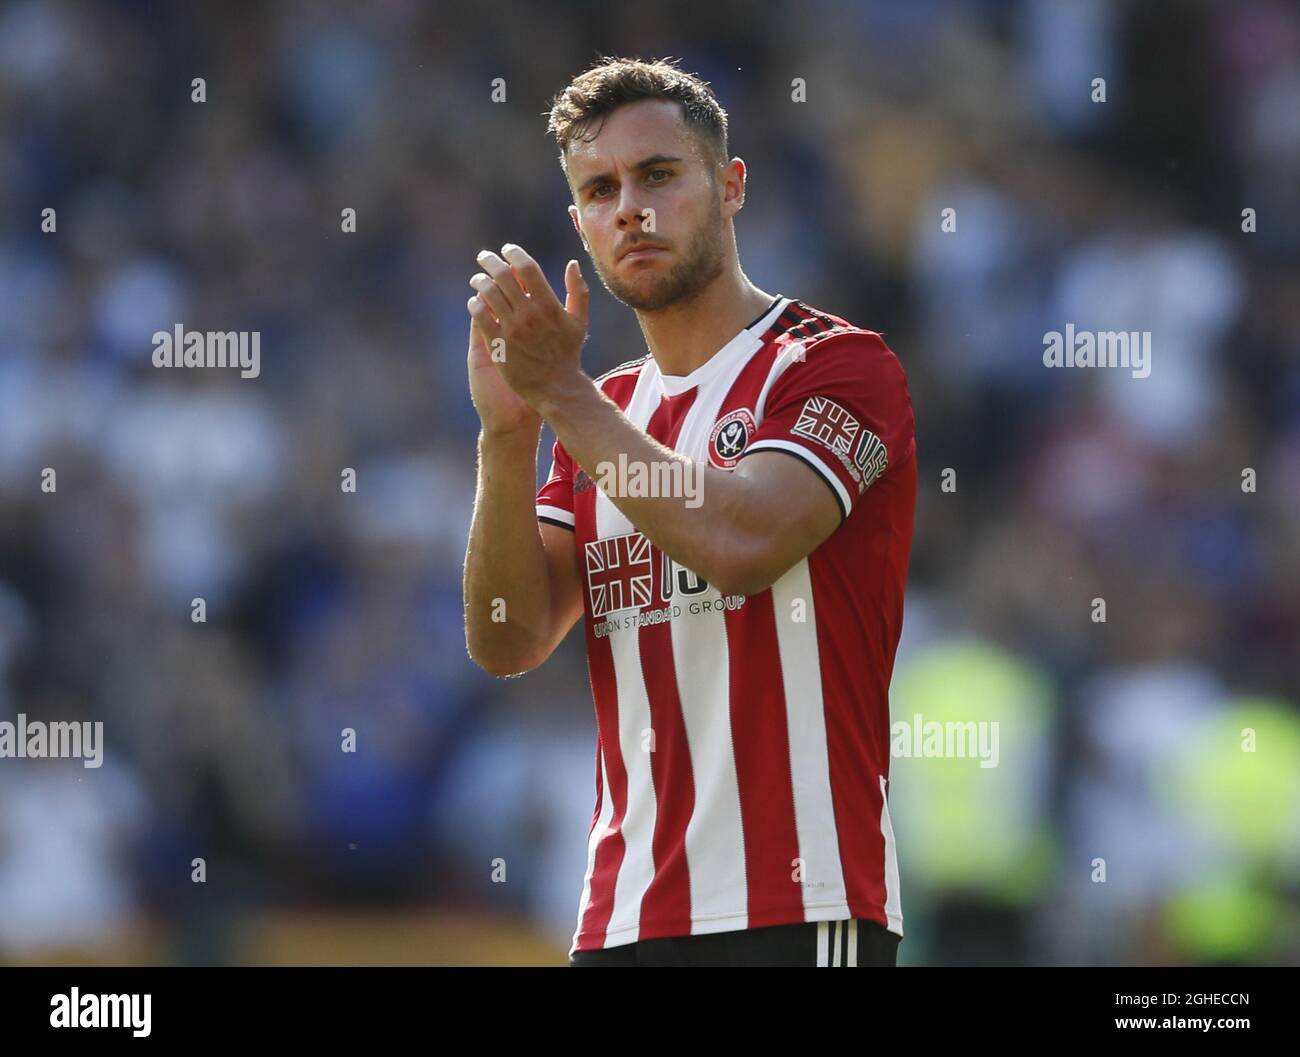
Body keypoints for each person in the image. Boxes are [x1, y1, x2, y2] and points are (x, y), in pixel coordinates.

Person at [462, 56, 916, 967]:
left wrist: (559, 393)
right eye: (600, 189)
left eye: (659, 174)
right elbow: (508, 639)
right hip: (621, 913)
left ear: (730, 185)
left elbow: (742, 541)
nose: (629, 207)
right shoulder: (596, 415)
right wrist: (508, 437)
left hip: (795, 900)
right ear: (579, 224)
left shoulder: (835, 366)